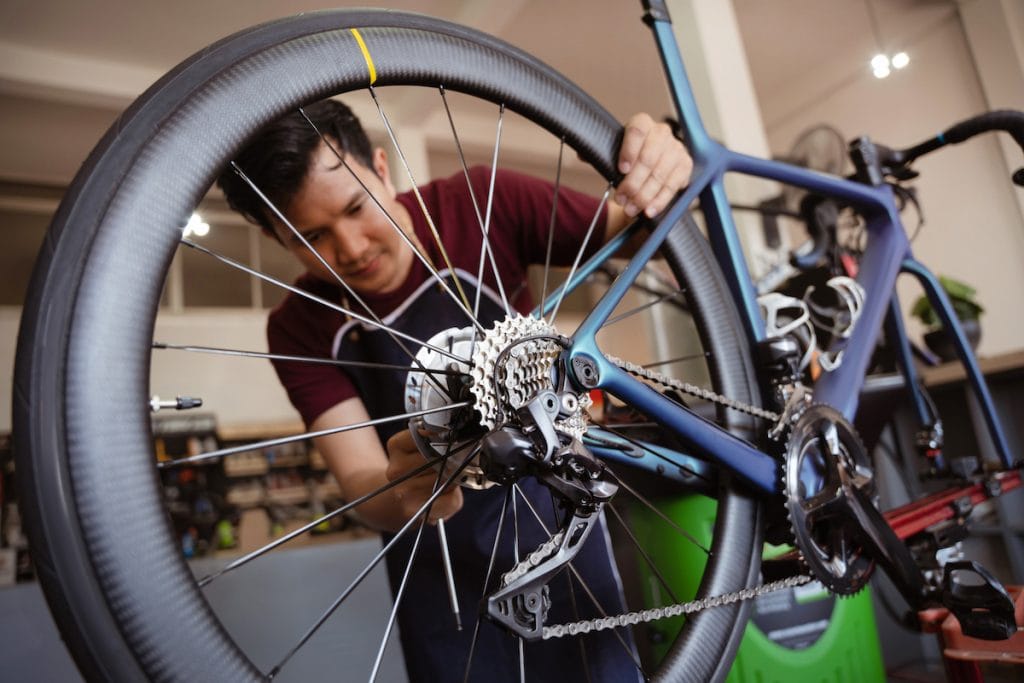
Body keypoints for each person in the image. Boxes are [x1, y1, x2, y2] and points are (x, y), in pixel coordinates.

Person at [218, 98, 692, 681]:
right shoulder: (297, 326)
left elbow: (639, 228)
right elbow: (361, 483)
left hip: (557, 522)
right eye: (309, 237)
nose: (351, 248)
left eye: (357, 208)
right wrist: (403, 487)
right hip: (436, 564)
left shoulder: (479, 203)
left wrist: (661, 155)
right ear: (274, 237)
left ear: (383, 169)